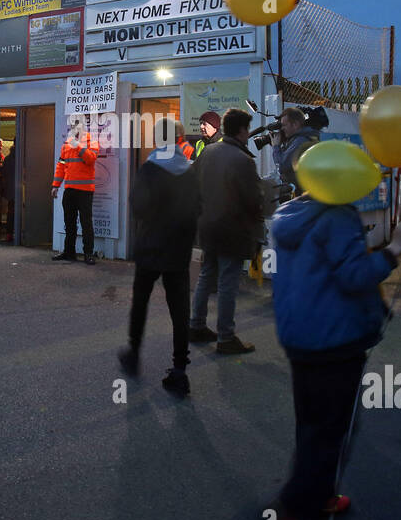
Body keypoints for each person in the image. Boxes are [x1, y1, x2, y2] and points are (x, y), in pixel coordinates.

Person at [270, 182, 401, 520]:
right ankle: (295, 506)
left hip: (299, 335)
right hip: (335, 337)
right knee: (334, 428)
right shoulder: (338, 216)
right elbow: (354, 276)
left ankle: (318, 496)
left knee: (311, 422)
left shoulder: (289, 214)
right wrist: (394, 249)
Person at [117, 117, 200, 395]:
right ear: (178, 139)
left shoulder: (149, 169)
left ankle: (134, 352)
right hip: (178, 250)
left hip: (150, 247)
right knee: (179, 310)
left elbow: (138, 208)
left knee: (140, 301)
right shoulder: (189, 171)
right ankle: (179, 369)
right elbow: (197, 209)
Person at [189, 108, 264, 354]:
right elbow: (254, 202)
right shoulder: (243, 160)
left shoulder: (208, 152)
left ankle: (197, 326)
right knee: (227, 282)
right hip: (232, 229)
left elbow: (192, 183)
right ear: (242, 131)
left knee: (206, 276)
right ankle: (226, 337)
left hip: (207, 226)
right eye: (247, 129)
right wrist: (257, 234)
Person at [51, 119, 98, 264]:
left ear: (83, 128)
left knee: (86, 223)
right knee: (69, 223)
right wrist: (55, 185)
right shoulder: (66, 144)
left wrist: (78, 146)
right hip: (69, 190)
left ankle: (88, 254)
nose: (75, 129)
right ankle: (69, 252)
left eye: (77, 127)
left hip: (85, 191)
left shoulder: (92, 141)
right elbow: (61, 166)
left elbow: (90, 159)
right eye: (72, 126)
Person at [271, 107, 322, 195]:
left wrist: (276, 146)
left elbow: (282, 165)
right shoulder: (308, 136)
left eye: (284, 125)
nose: (282, 129)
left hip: (302, 193)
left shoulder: (300, 141)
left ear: (295, 124)